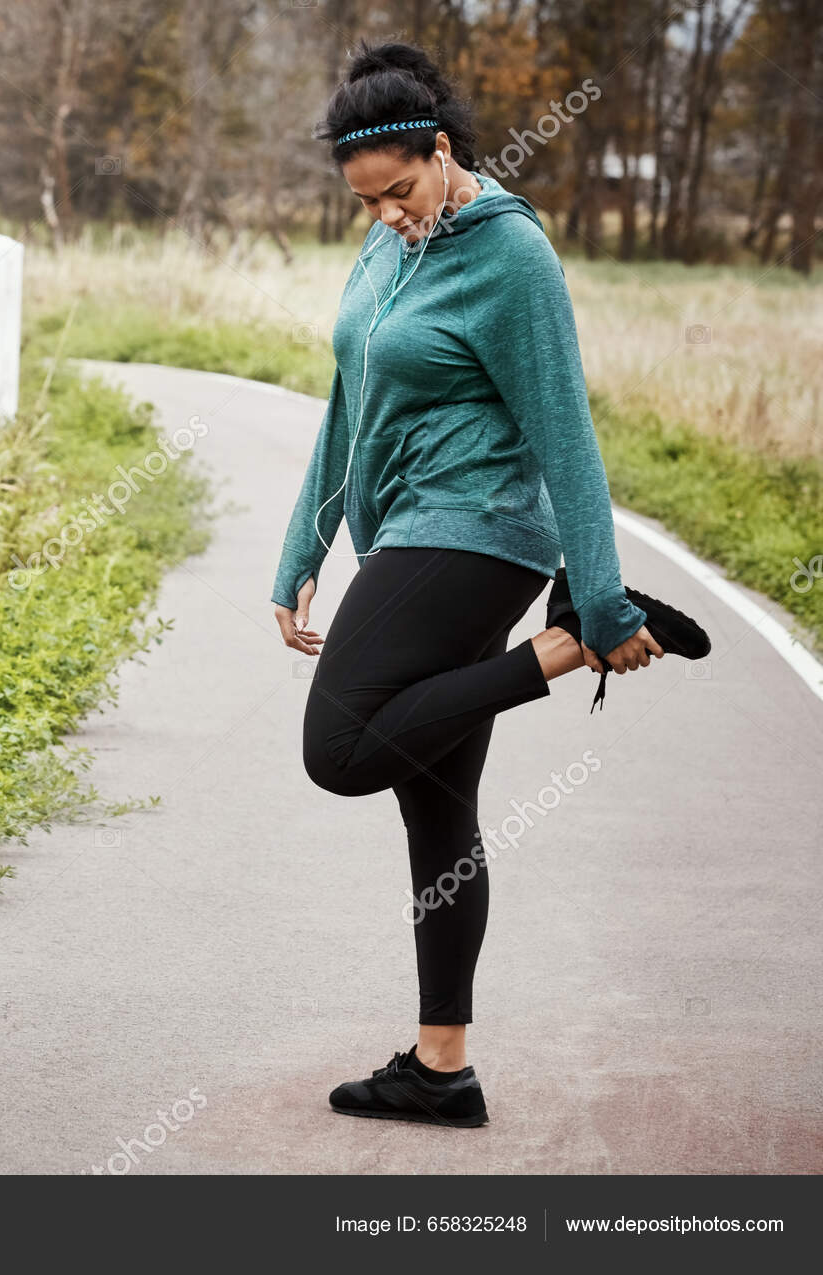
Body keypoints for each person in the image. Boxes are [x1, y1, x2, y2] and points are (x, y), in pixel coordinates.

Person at [271, 39, 711, 1128]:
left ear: (444, 150)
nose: (385, 215)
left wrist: (596, 603)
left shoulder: (511, 256)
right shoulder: (385, 251)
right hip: (403, 532)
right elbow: (347, 403)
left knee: (339, 749)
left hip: (476, 536)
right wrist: (300, 553)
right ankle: (440, 1067)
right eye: (363, 202)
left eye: (401, 190)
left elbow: (564, 430)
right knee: (436, 804)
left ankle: (558, 647)